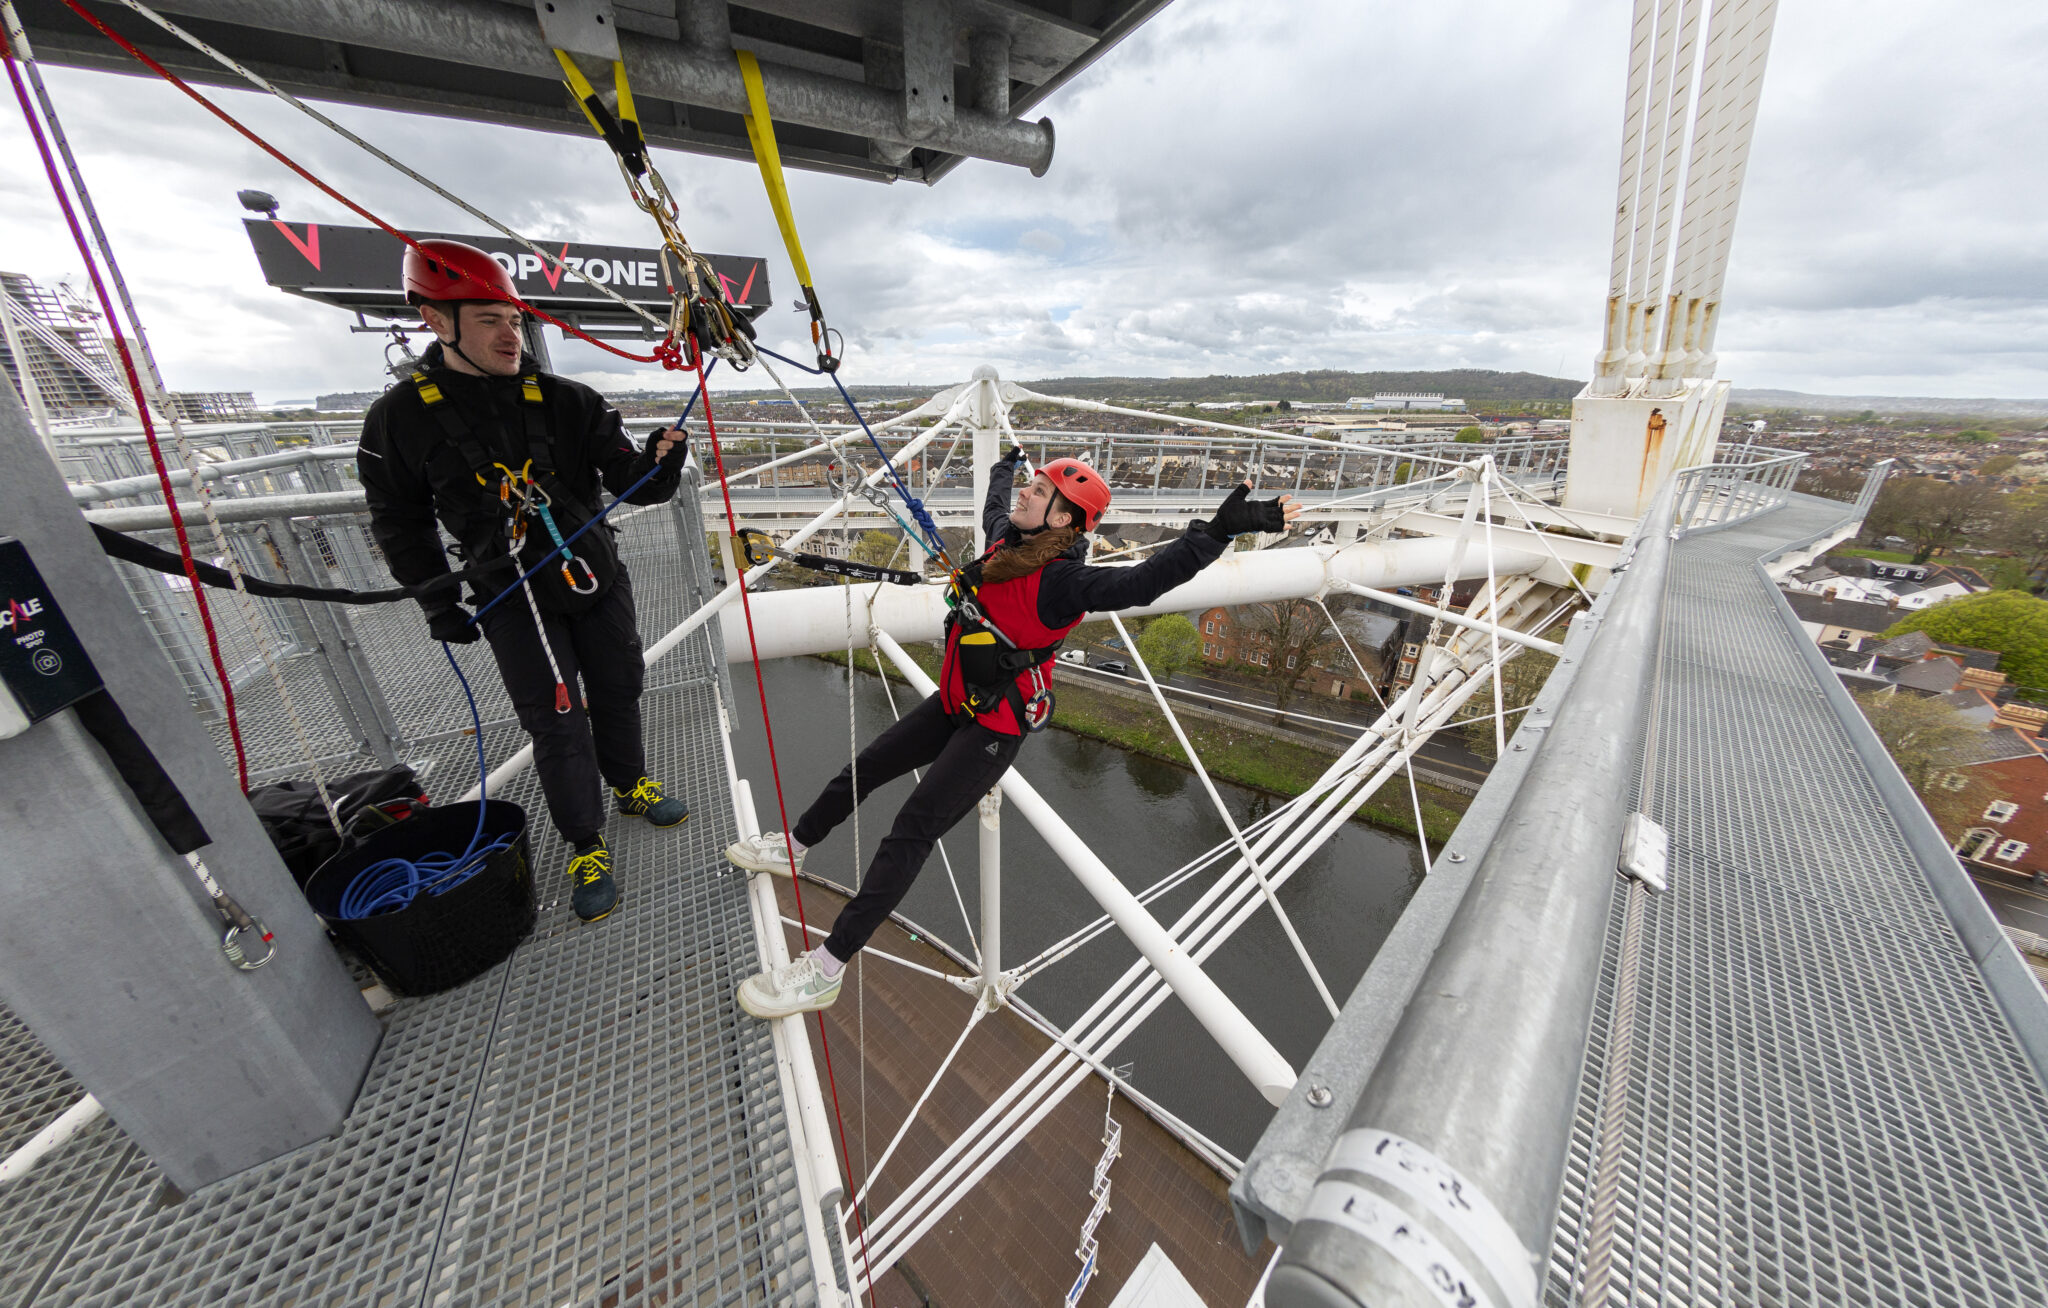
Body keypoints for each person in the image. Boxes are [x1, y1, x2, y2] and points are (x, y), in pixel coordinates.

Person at [726, 449, 1301, 1017]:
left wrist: (1220, 530)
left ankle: (827, 969)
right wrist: (1005, 466)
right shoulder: (1008, 543)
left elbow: (1145, 582)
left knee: (911, 830)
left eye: (1038, 489)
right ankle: (795, 848)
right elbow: (993, 506)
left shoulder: (1065, 582)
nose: (1025, 492)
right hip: (957, 700)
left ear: (1060, 518)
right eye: (1029, 484)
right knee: (867, 767)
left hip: (995, 726)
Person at [358, 239, 690, 923]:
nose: (510, 334)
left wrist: (661, 463)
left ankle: (629, 782)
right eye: (488, 320)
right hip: (512, 592)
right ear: (435, 321)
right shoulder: (400, 420)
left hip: (594, 572)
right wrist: (438, 601)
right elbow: (400, 519)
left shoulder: (569, 400)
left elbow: (630, 484)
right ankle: (585, 840)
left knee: (620, 681)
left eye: (514, 320)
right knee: (557, 714)